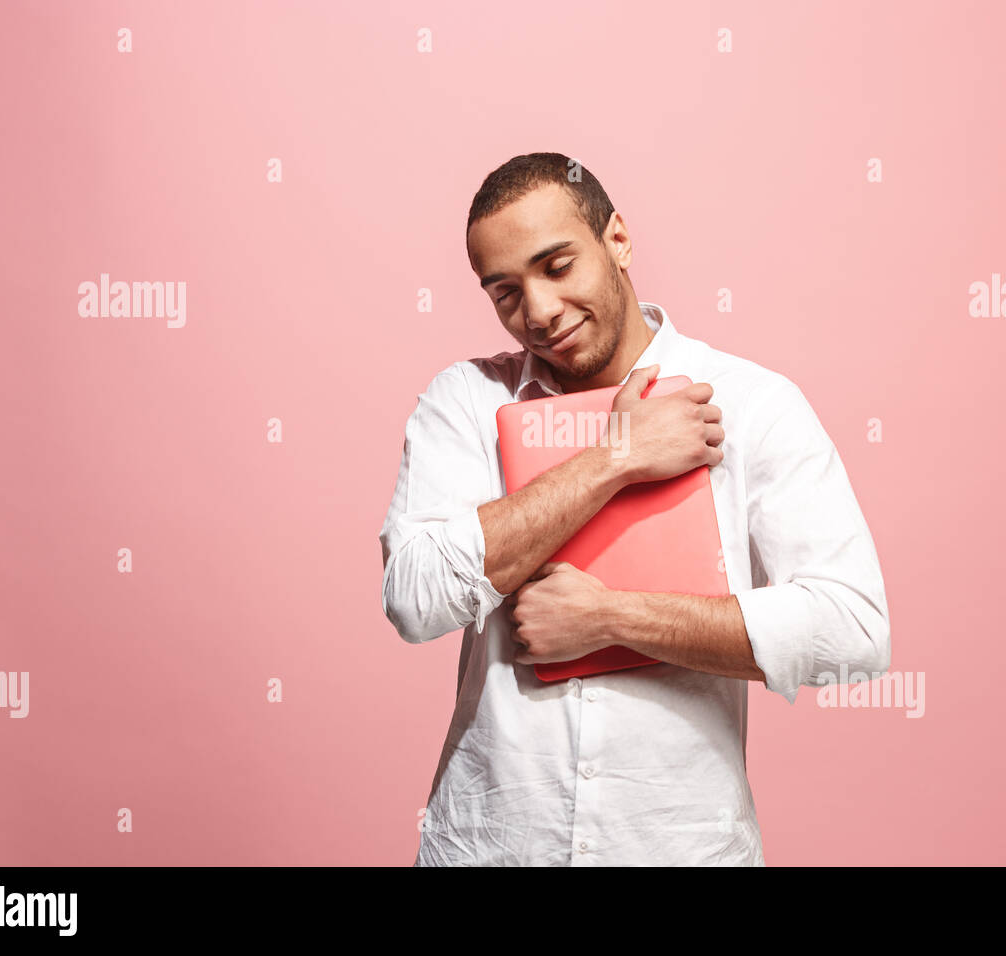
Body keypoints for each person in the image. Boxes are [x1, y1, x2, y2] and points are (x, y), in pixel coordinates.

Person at [379, 152, 890, 866]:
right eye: (505, 292)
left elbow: (853, 632)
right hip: (494, 848)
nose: (539, 312)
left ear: (617, 239)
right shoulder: (463, 402)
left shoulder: (752, 402)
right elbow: (414, 597)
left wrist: (610, 619)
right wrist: (616, 456)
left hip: (678, 848)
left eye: (556, 267)